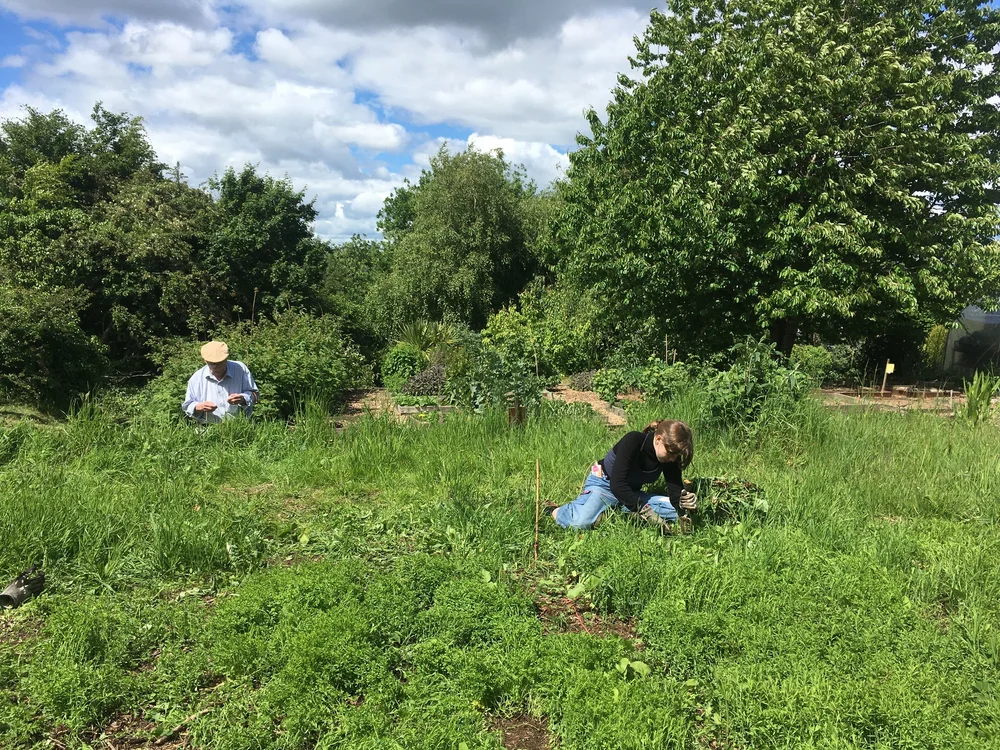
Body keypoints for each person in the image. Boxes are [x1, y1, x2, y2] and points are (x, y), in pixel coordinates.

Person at [552, 419, 697, 531]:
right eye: (671, 453)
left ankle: (616, 512)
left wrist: (683, 508)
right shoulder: (633, 440)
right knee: (580, 523)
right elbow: (617, 485)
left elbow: (674, 490)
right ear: (658, 439)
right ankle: (557, 511)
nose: (673, 458)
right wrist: (645, 511)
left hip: (631, 492)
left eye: (677, 455)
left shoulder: (670, 455)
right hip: (605, 484)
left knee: (672, 512)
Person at [182, 341, 259, 423]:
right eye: (213, 364)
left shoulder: (240, 369)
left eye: (221, 363)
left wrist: (243, 398)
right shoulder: (196, 378)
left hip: (239, 426)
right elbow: (187, 406)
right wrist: (199, 407)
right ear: (205, 361)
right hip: (207, 429)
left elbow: (255, 395)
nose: (217, 367)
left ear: (226, 359)